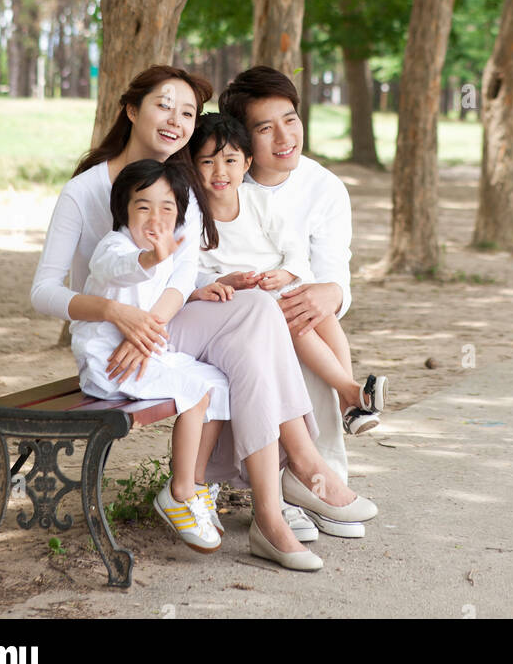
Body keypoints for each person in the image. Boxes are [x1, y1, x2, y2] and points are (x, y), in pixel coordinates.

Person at [31, 63, 377, 571]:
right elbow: (43, 291)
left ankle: (277, 500)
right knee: (256, 325)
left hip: (164, 326)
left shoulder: (183, 185)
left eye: (187, 112)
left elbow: (181, 274)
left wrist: (204, 294)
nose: (175, 120)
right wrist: (120, 314)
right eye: (163, 106)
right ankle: (286, 491)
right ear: (131, 110)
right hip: (117, 336)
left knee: (258, 308)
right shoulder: (84, 191)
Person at [188, 112, 387, 434]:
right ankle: (350, 395)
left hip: (278, 282)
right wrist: (222, 281)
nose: (220, 172)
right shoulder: (193, 215)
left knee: (321, 315)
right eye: (207, 162)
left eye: (230, 160)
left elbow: (295, 250)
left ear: (247, 162)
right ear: (192, 166)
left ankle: (349, 401)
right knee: (296, 324)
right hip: (241, 302)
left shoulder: (258, 202)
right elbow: (192, 272)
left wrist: (286, 273)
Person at [71, 157, 231, 552]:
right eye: (143, 206)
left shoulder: (167, 249)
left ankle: (194, 482)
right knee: (195, 392)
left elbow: (161, 291)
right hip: (110, 365)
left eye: (167, 208)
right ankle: (179, 492)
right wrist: (151, 258)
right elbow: (123, 270)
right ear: (123, 210)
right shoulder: (117, 246)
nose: (155, 218)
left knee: (217, 382)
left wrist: (192, 290)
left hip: (145, 357)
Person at [218, 66, 357, 510]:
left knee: (308, 316)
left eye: (290, 119)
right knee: (280, 326)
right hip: (236, 310)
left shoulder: (324, 187)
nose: (284, 137)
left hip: (299, 303)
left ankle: (323, 474)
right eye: (265, 128)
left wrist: (330, 293)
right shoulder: (224, 183)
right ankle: (282, 486)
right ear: (243, 139)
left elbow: (335, 270)